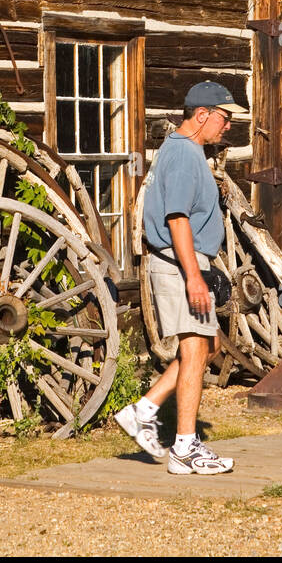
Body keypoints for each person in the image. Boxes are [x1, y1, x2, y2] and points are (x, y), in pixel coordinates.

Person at [115, 81, 248, 474]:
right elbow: (177, 219)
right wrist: (194, 276)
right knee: (194, 350)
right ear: (203, 115)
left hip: (185, 262)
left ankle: (143, 411)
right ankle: (185, 448)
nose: (228, 127)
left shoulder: (184, 151)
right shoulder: (185, 155)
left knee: (204, 348)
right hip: (179, 264)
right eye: (225, 118)